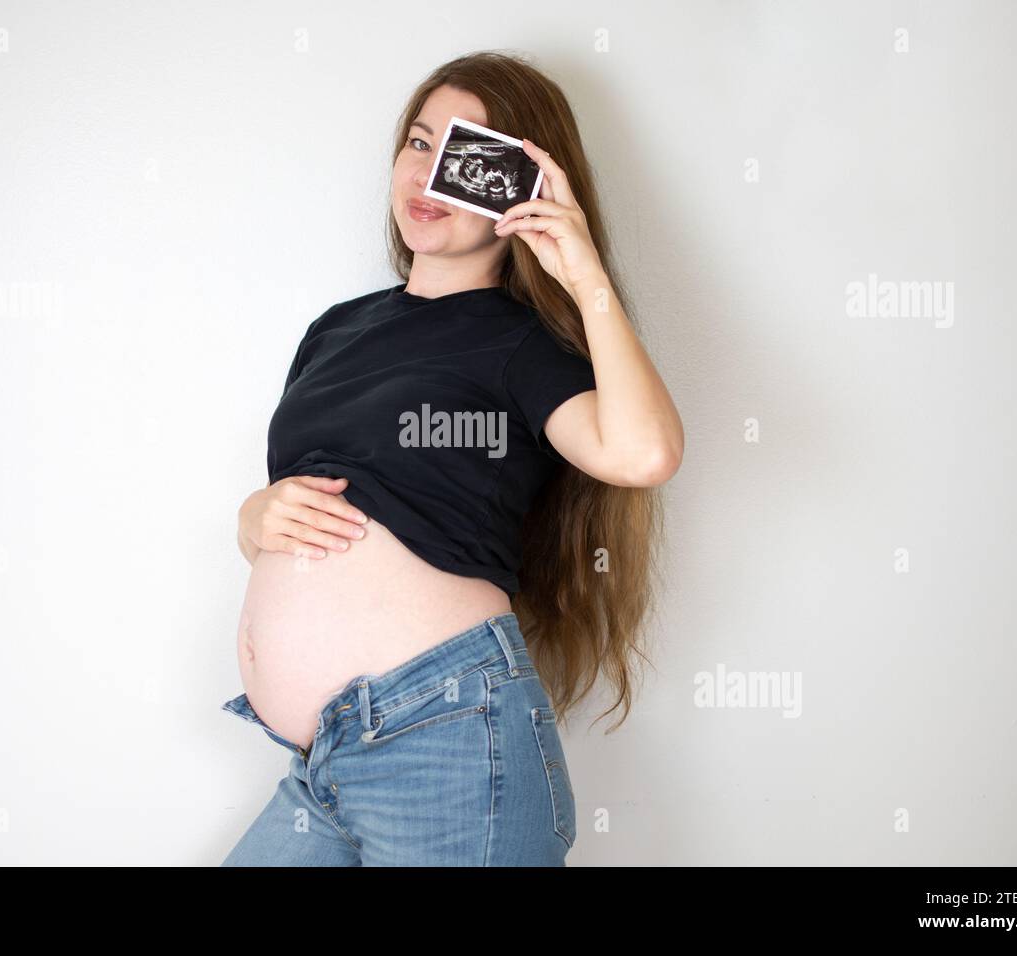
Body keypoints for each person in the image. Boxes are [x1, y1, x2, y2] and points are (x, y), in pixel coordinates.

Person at [220, 50, 684, 866]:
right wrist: (254, 518)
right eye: (419, 143)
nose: (429, 174)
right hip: (324, 762)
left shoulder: (522, 344)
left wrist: (582, 273)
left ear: (520, 186)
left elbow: (642, 453)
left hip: (446, 741)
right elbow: (322, 520)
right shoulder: (337, 330)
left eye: (465, 156)